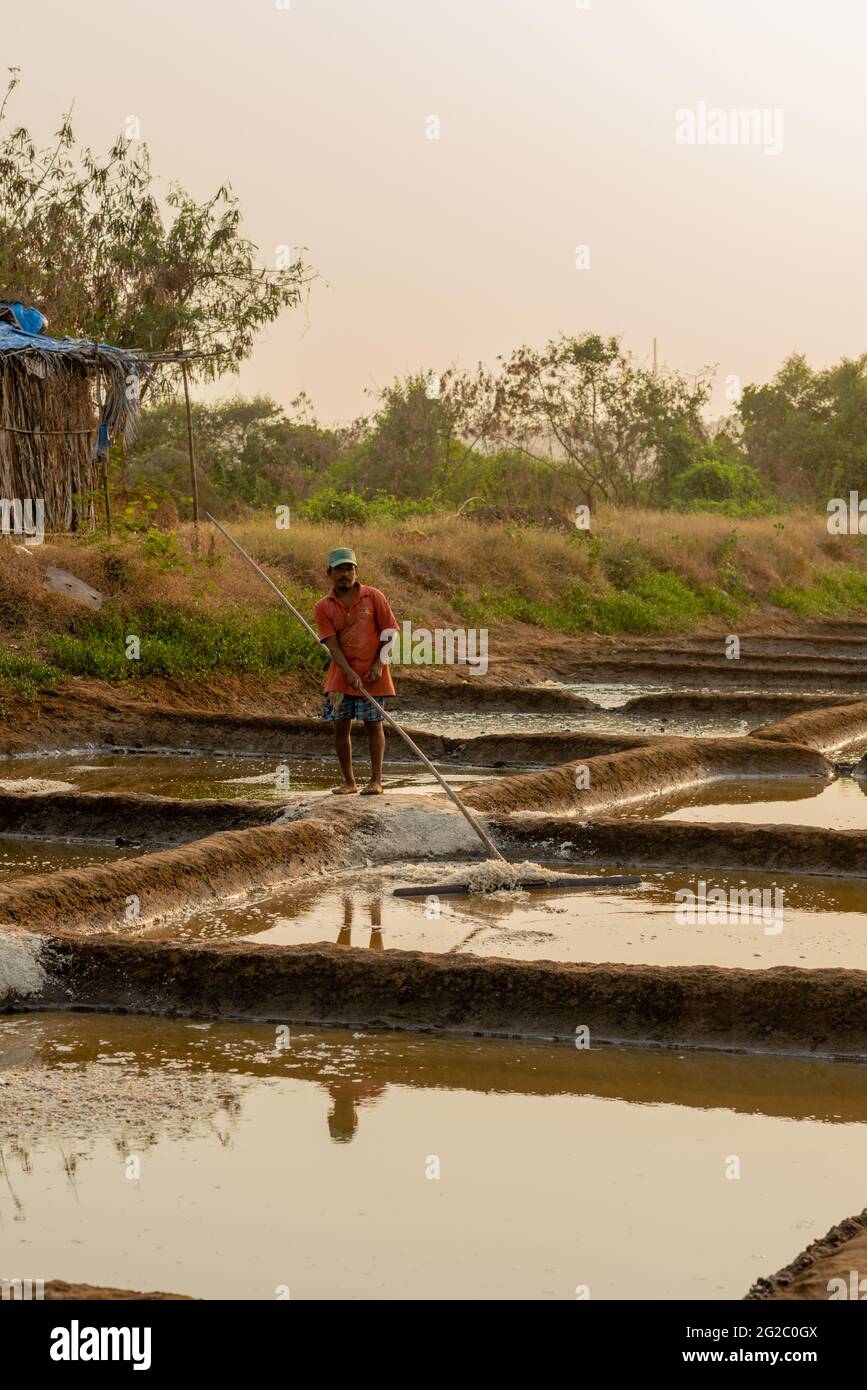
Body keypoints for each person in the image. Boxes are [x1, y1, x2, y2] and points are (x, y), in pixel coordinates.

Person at [313, 547, 398, 796]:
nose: (345, 574)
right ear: (329, 572)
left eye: (349, 568)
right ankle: (349, 782)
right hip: (341, 675)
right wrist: (348, 672)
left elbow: (390, 633)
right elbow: (332, 644)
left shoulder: (373, 597)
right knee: (340, 726)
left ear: (356, 571)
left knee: (374, 724)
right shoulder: (323, 606)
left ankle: (376, 781)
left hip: (373, 674)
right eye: (339, 569)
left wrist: (378, 664)